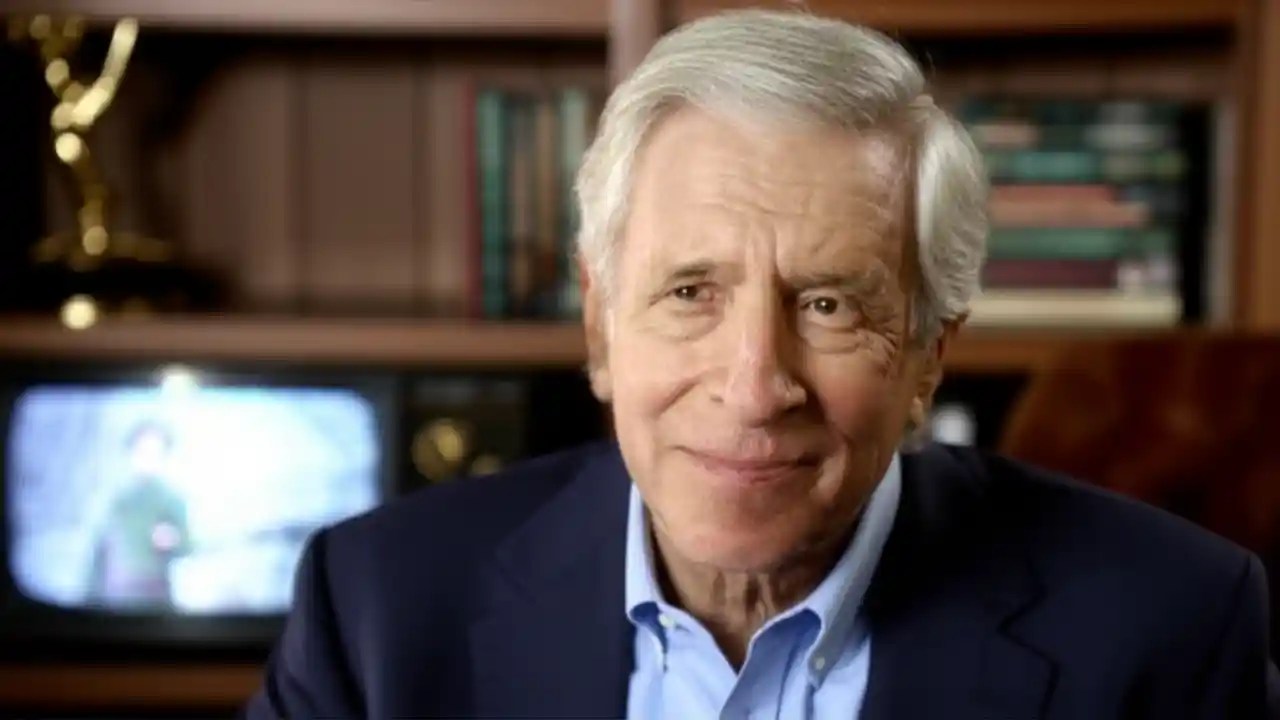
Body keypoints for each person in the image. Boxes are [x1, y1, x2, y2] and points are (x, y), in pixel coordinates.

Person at [245, 10, 1278, 718]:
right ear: (601, 327)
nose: (752, 386)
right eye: (690, 292)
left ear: (926, 358)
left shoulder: (1168, 628)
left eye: (827, 305)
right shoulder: (377, 611)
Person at [87, 419, 192, 609]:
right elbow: (98, 554)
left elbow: (188, 545)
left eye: (155, 452)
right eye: (142, 451)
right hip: (112, 596)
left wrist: (173, 539)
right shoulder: (116, 501)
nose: (148, 458)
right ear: (132, 453)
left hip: (153, 596)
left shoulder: (171, 499)